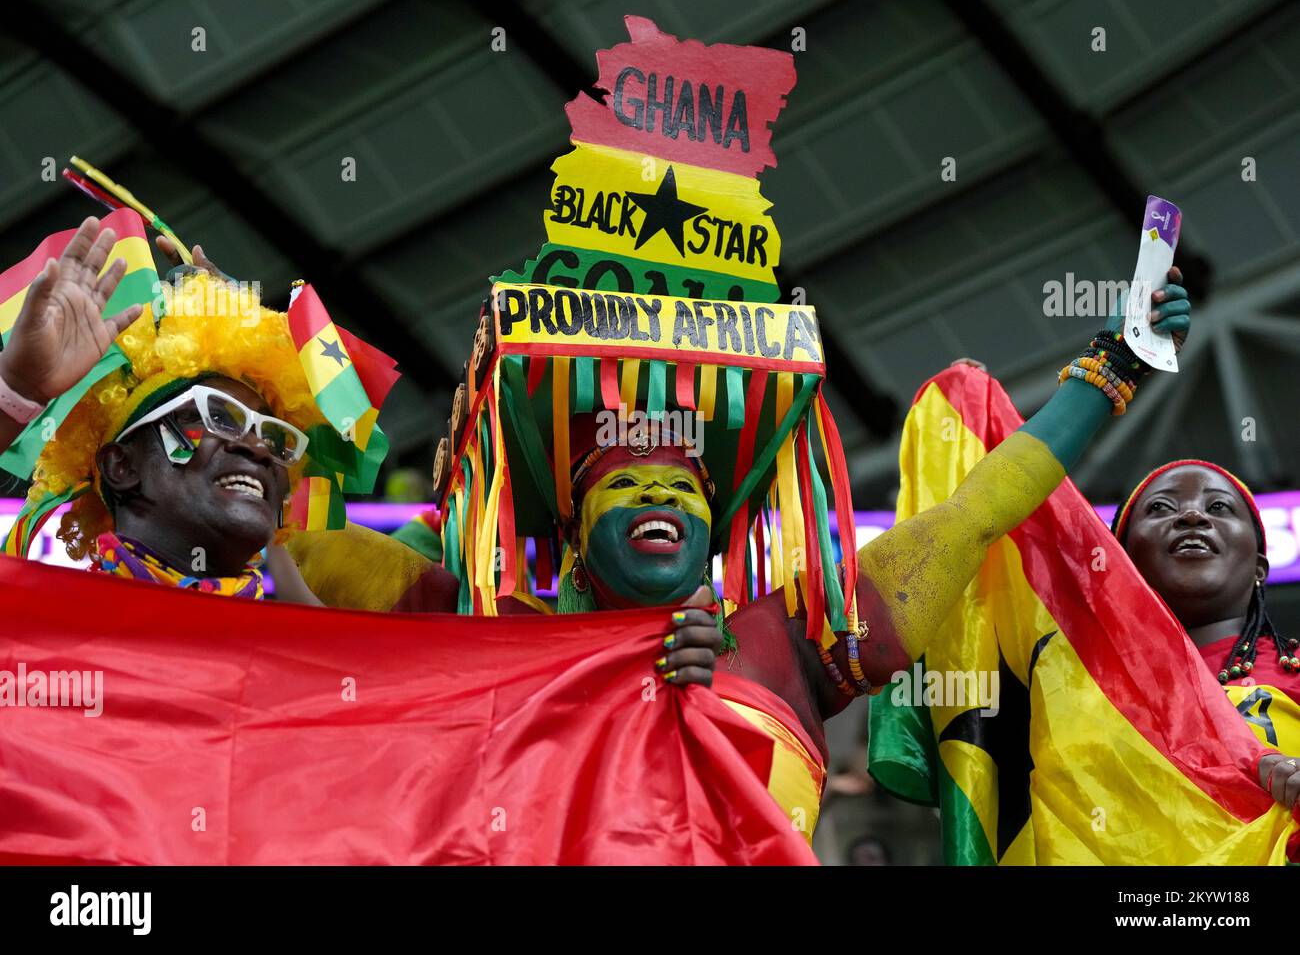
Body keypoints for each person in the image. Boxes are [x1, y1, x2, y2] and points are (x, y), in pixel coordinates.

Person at [291, 266, 1194, 837]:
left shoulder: (797, 637)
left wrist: (1117, 362)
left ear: (712, 535)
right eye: (628, 485)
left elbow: (975, 515)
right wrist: (244, 395)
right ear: (572, 532)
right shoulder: (490, 633)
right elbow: (300, 565)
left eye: (681, 488)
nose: (659, 497)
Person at [0, 216, 360, 603]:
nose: (257, 449)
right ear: (121, 466)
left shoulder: (311, 654)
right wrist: (16, 391)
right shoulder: (44, 629)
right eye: (218, 416)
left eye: (275, 436)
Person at [1113, 459, 1300, 814]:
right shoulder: (1076, 687)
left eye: (1218, 507)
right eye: (1161, 508)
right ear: (1124, 565)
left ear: (1259, 568)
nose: (1193, 517)